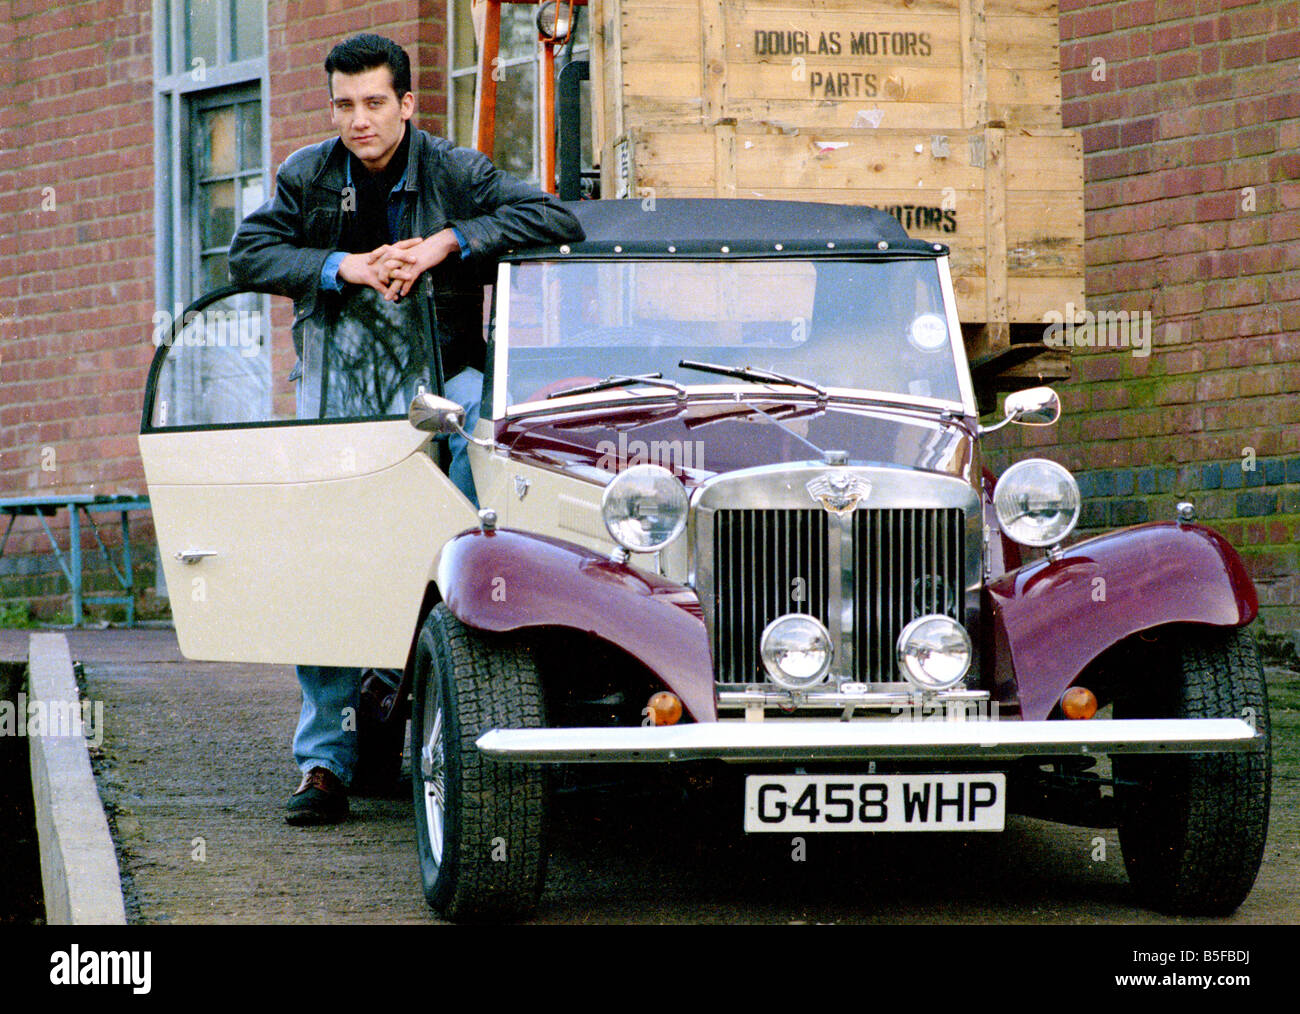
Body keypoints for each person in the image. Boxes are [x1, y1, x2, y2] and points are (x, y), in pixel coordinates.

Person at [228, 33, 583, 825]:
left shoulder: (455, 171)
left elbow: (555, 219)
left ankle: (432, 599)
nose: (359, 121)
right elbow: (247, 253)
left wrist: (444, 245)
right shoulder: (307, 174)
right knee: (321, 553)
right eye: (344, 105)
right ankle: (324, 763)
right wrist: (342, 266)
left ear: (407, 105)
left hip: (444, 377)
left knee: (471, 480)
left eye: (375, 104)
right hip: (341, 385)